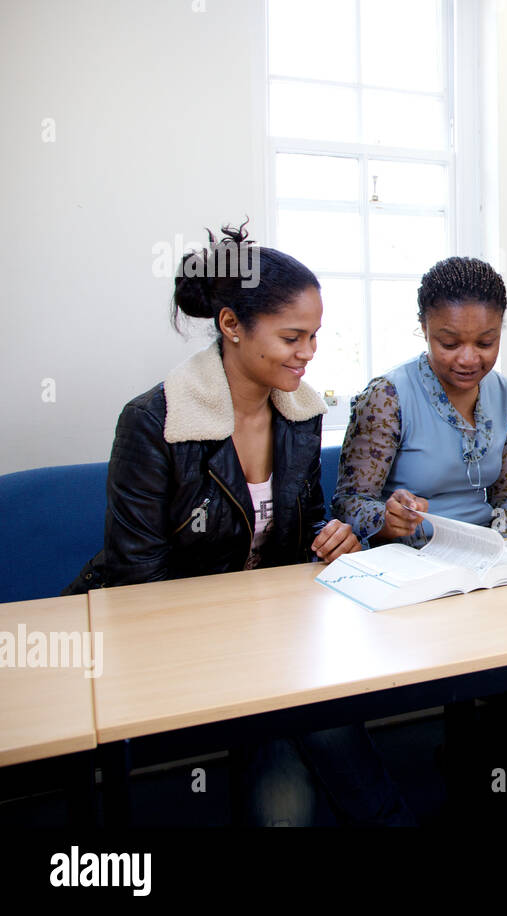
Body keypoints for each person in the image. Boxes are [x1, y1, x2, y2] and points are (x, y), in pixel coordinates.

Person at [68, 223, 413, 825]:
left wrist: (332, 540)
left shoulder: (298, 416)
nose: (308, 353)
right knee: (320, 730)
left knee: (309, 742)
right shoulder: (156, 422)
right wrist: (254, 642)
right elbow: (138, 584)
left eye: (314, 336)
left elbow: (297, 540)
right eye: (291, 337)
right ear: (231, 326)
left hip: (266, 645)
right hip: (172, 641)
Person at [333, 257, 507, 545]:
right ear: (424, 327)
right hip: (411, 559)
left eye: (486, 343)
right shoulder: (387, 397)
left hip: (485, 556)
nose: (468, 359)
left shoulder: (506, 395)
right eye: (449, 344)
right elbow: (349, 503)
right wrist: (388, 518)